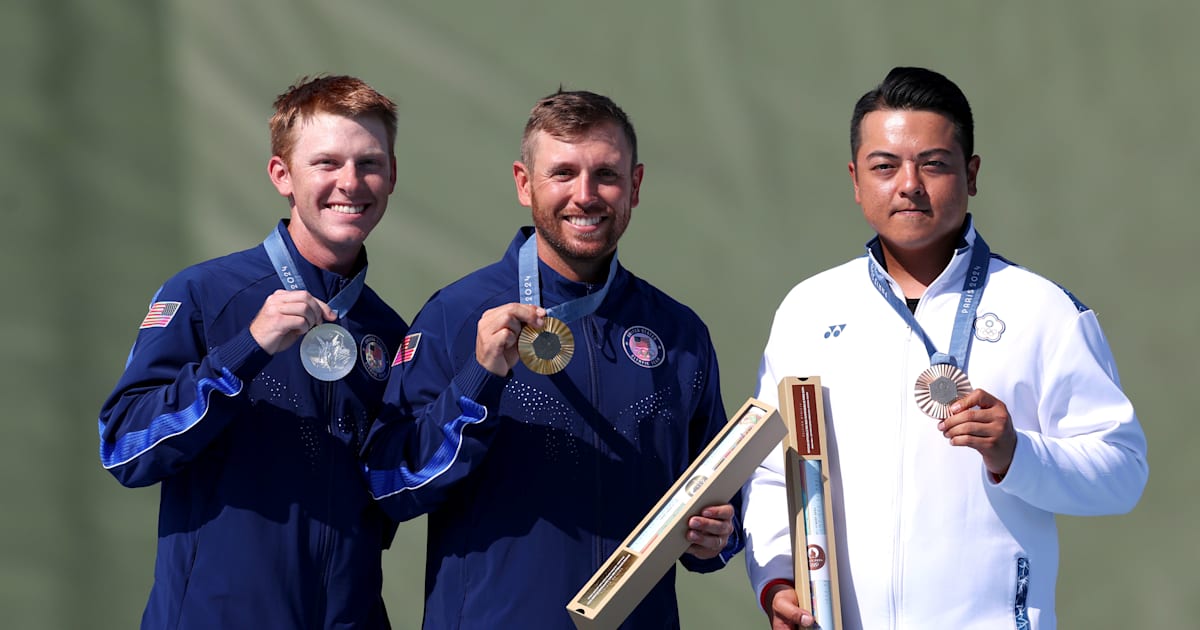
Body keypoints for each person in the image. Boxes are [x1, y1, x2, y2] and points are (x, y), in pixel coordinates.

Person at [741, 66, 1149, 630]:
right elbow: (769, 471)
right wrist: (779, 578)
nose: (909, 184)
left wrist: (1015, 453)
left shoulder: (1043, 310)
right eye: (884, 166)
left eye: (933, 164)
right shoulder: (809, 310)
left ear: (971, 173)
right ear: (856, 180)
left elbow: (1123, 474)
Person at [364, 89, 740, 628]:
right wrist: (478, 379)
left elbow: (720, 500)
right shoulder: (456, 315)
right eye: (562, 173)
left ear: (634, 186)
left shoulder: (678, 334)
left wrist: (715, 538)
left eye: (606, 175)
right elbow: (391, 484)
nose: (585, 196)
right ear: (524, 183)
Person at [98, 75, 408, 628]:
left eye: (369, 163)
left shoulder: (386, 331)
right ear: (282, 176)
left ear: (391, 176)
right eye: (327, 163)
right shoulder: (205, 296)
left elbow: (388, 495)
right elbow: (124, 447)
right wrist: (245, 352)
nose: (350, 182)